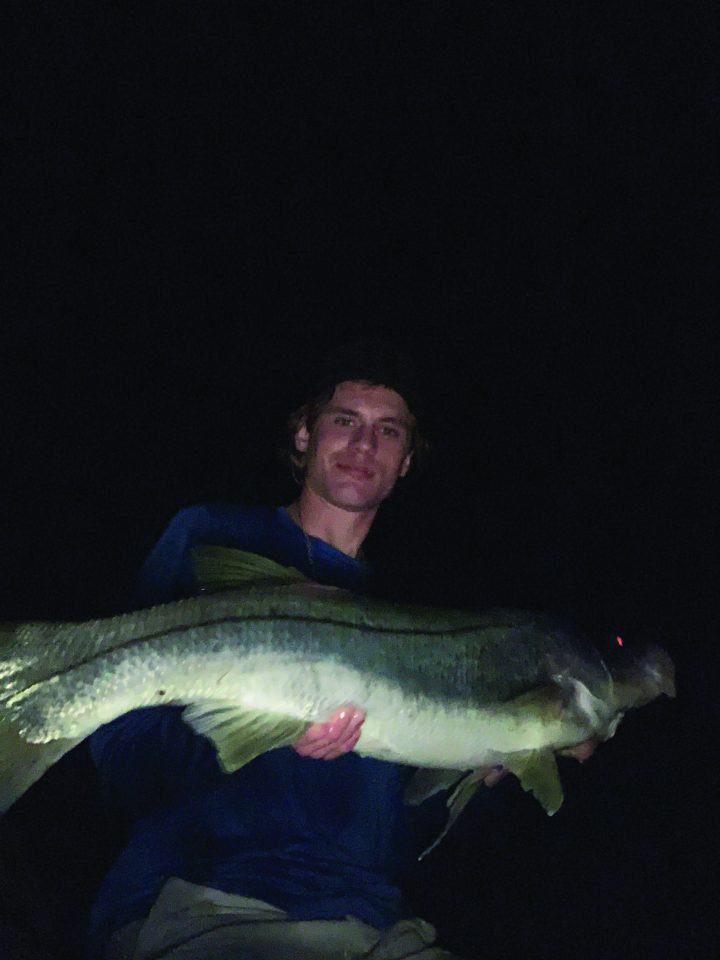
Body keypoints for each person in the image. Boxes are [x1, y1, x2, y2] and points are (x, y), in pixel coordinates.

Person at [87, 347, 593, 960]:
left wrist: (483, 769)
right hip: (206, 900)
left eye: (388, 430)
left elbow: (393, 838)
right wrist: (259, 731)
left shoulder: (411, 618)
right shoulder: (214, 539)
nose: (364, 444)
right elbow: (120, 756)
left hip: (375, 921)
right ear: (304, 434)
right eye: (345, 420)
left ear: (407, 461)